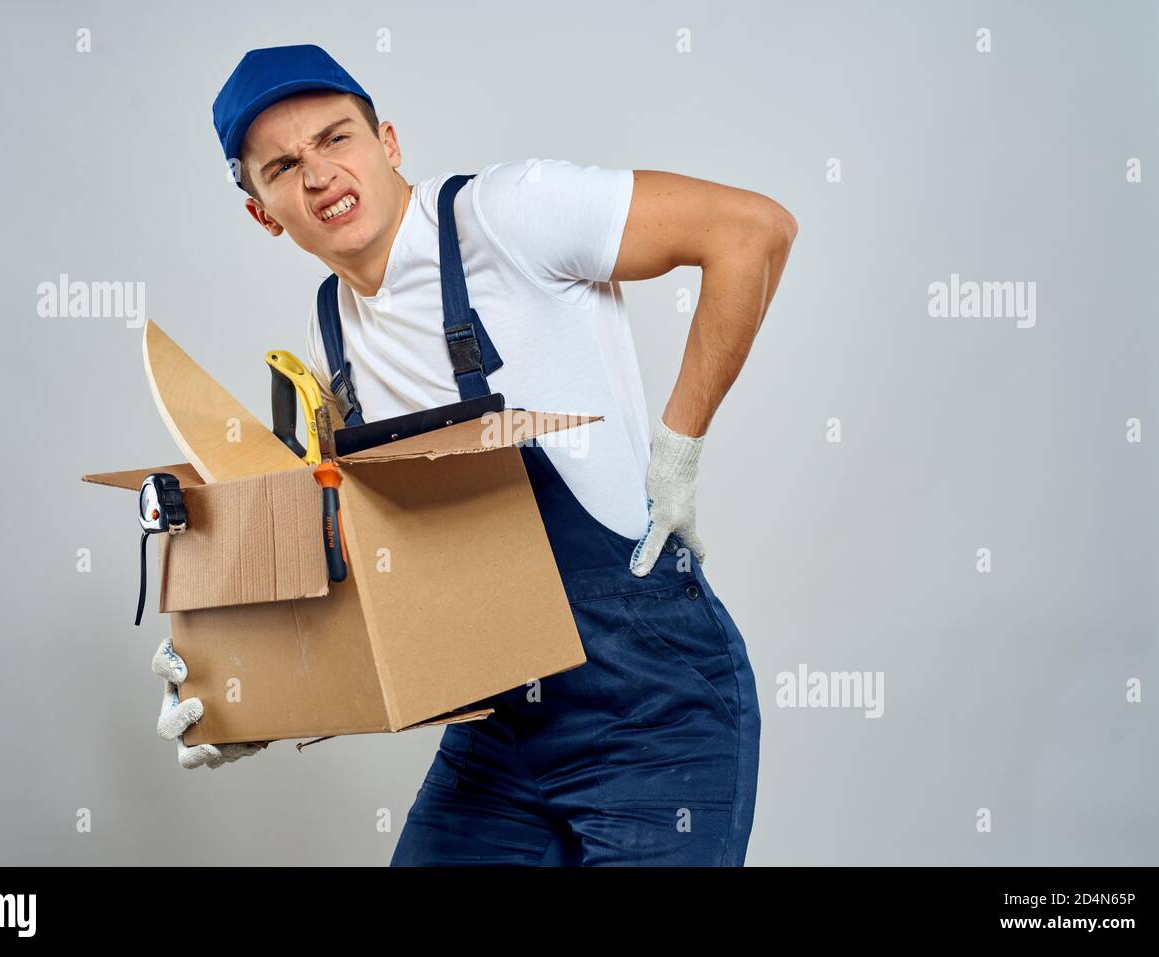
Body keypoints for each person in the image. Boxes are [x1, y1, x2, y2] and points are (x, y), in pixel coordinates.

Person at [153, 43, 796, 865]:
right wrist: (248, 693)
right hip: (500, 727)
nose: (318, 176)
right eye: (283, 165)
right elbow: (380, 577)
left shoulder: (506, 213)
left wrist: (678, 446)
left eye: (336, 138)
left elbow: (752, 230)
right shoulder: (331, 339)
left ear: (387, 142)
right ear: (264, 211)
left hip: (659, 712)